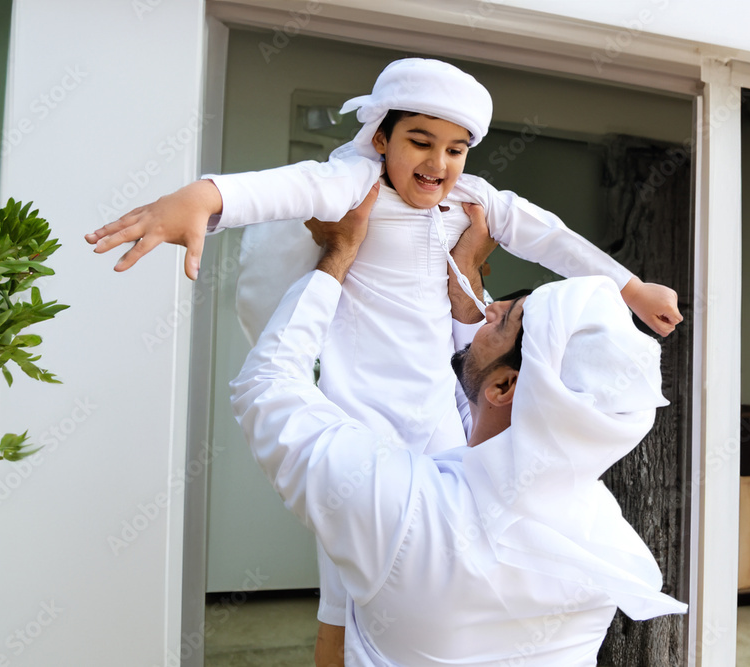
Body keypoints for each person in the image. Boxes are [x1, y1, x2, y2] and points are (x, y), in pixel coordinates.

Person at [85, 57, 683, 663]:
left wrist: (629, 288)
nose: (438, 164)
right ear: (380, 138)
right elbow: (288, 187)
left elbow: (549, 236)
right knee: (344, 596)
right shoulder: (356, 184)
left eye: (456, 149)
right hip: (360, 416)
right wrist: (203, 197)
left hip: (440, 420)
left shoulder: (470, 200)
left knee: (425, 567)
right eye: (419, 142)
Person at [229, 197, 687, 666]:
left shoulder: (401, 510)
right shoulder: (601, 536)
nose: (492, 308)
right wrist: (464, 278)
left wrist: (338, 254)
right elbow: (499, 429)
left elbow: (265, 387)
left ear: (506, 386)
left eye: (504, 318)